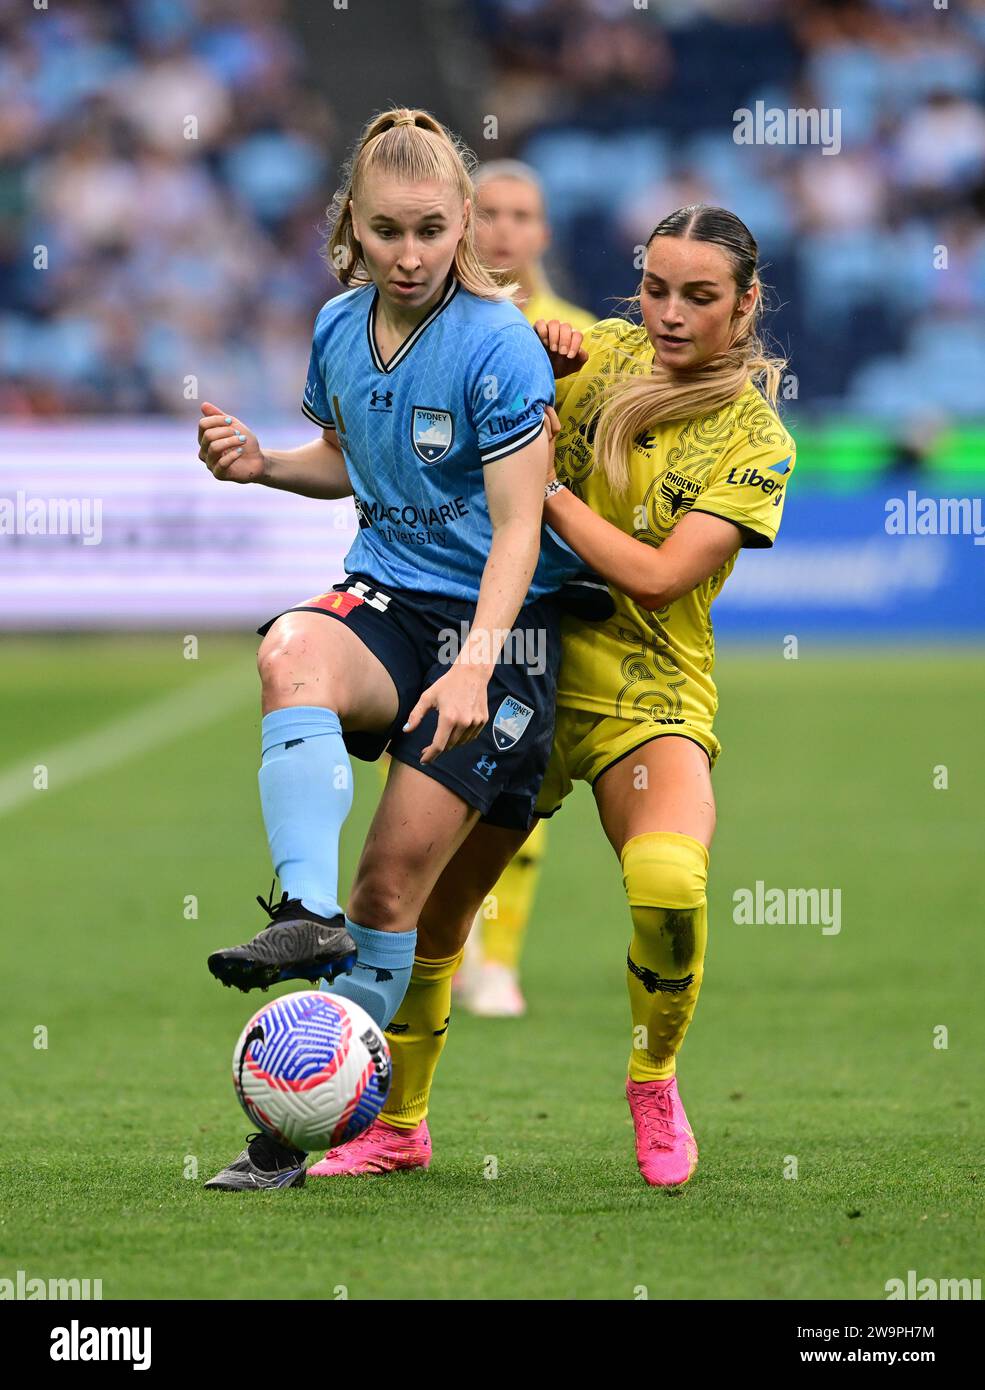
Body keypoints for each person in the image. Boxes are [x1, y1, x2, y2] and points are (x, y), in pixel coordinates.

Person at [307, 204, 795, 1188]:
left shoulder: (756, 436)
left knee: (668, 881)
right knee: (431, 916)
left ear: (745, 304)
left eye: (697, 296)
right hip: (511, 667)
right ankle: (399, 1123)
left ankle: (653, 1077)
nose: (667, 312)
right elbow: (468, 381)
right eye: (655, 288)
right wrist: (532, 363)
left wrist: (535, 480)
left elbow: (657, 577)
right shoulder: (594, 357)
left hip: (644, 688)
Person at [197, 107, 601, 1192]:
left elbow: (521, 524)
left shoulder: (499, 341)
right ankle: (301, 915)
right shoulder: (337, 326)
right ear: (353, 231)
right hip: (387, 596)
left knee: (395, 895)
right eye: (387, 232)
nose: (410, 253)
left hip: (498, 633)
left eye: (430, 229)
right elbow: (343, 456)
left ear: (464, 224)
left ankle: (295, 1130)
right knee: (290, 648)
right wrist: (263, 466)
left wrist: (474, 661)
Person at [455, 160, 597, 1018]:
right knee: (436, 761)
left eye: (522, 215)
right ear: (467, 225)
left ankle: (495, 956)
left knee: (523, 767)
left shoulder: (586, 335)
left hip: (538, 583)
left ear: (542, 233)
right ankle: (443, 929)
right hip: (444, 576)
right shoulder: (439, 326)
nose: (505, 230)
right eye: (490, 213)